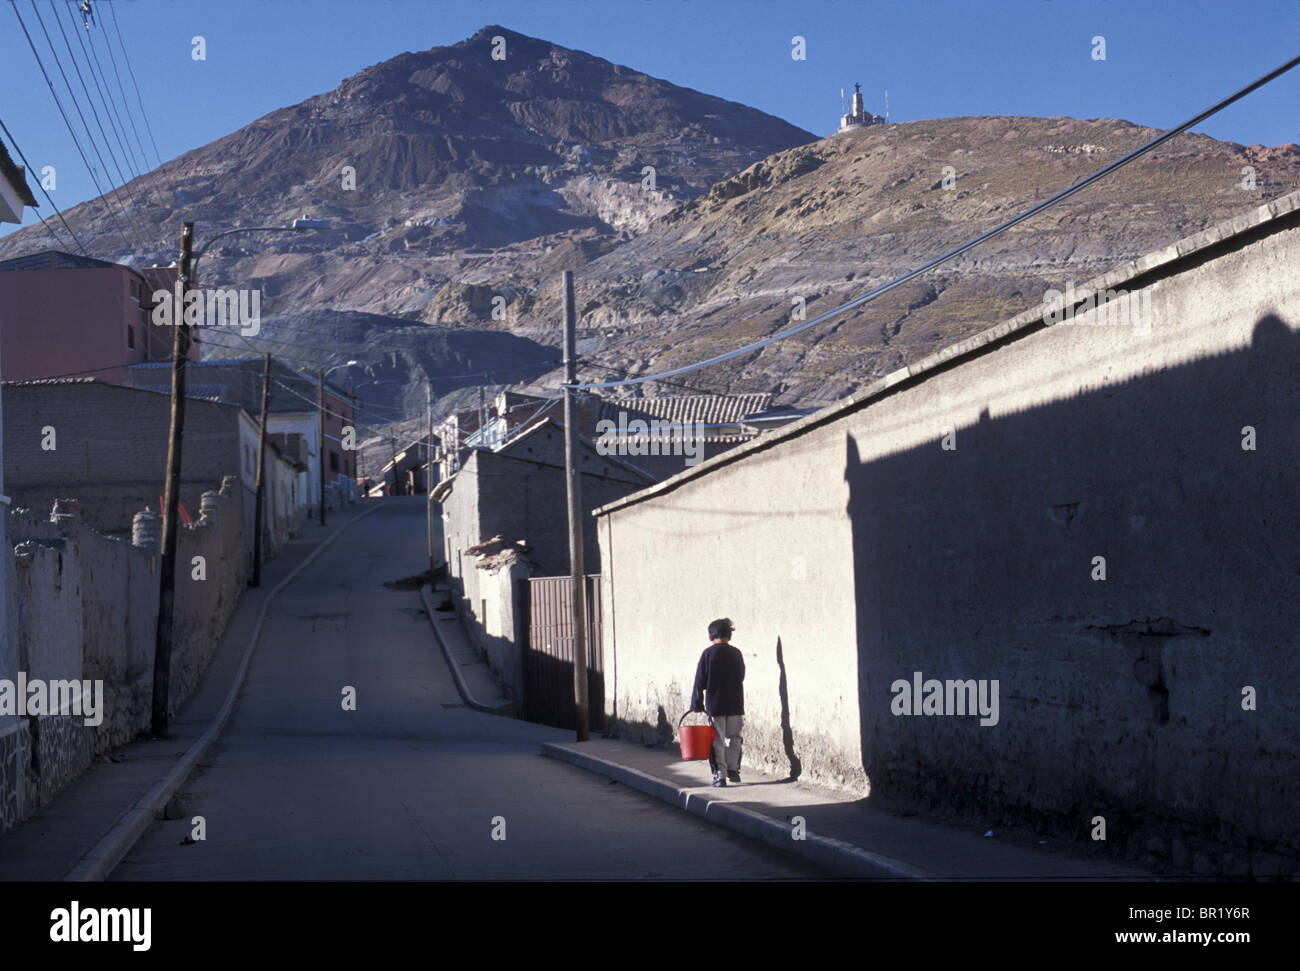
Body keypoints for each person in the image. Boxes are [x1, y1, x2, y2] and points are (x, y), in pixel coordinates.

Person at [690, 618, 745, 787]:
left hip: (716, 705)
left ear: (710, 636)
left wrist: (697, 703)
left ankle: (720, 774)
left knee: (717, 740)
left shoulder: (707, 654)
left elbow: (699, 680)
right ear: (730, 635)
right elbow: (742, 675)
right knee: (735, 737)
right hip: (735, 704)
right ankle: (733, 768)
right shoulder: (736, 653)